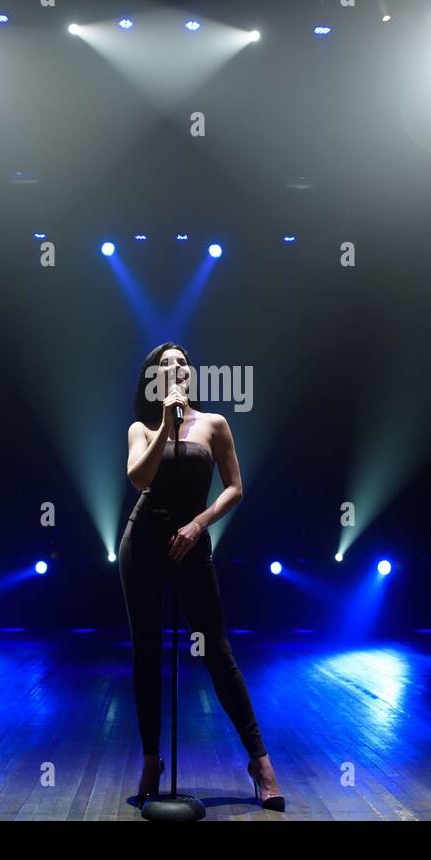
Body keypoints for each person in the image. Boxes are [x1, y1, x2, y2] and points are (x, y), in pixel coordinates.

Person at [118, 341, 284, 810]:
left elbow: (235, 488)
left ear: (192, 375)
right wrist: (164, 429)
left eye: (182, 364)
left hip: (191, 542)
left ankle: (260, 762)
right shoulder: (143, 427)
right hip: (143, 543)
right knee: (145, 654)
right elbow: (139, 478)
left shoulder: (214, 425)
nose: (176, 369)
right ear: (154, 378)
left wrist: (197, 525)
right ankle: (152, 759)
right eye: (165, 365)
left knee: (218, 653)